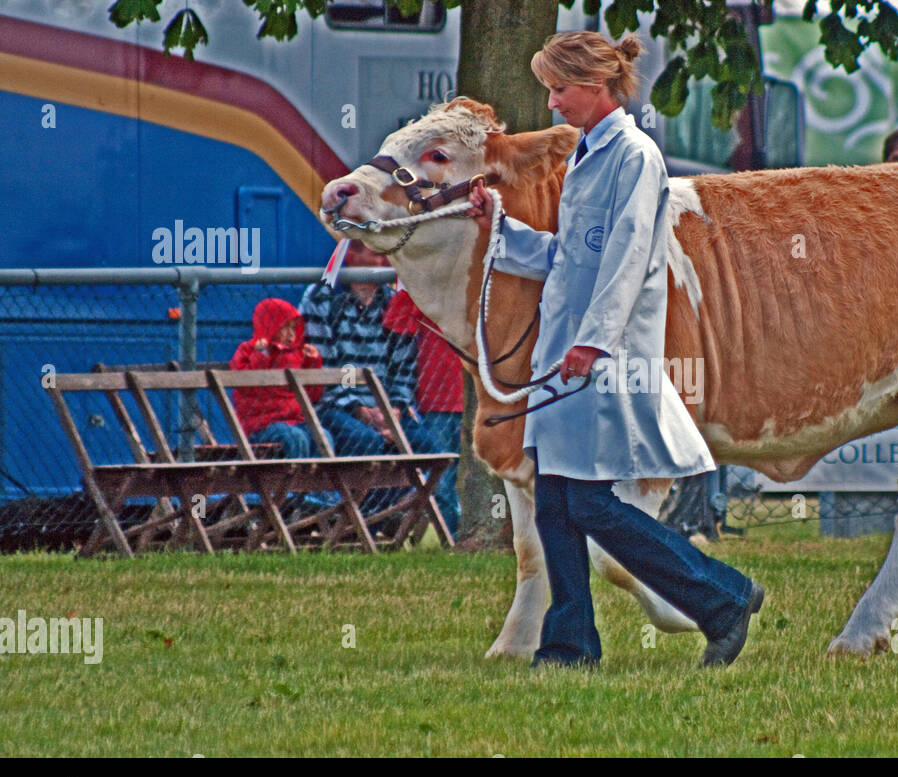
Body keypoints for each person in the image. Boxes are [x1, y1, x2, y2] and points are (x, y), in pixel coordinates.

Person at [467, 31, 763, 669]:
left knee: (590, 503)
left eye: (558, 88)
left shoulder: (634, 155)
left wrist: (593, 342)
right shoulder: (590, 155)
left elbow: (629, 259)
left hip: (599, 359)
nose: (550, 104)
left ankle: (722, 597)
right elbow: (567, 256)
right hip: (570, 355)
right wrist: (500, 229)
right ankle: (570, 646)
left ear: (595, 85)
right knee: (557, 505)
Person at [300, 240, 455, 532]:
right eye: (376, 254)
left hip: (387, 408)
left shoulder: (394, 301)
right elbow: (327, 368)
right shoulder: (321, 298)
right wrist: (361, 409)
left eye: (387, 255)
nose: (385, 262)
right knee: (367, 443)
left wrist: (393, 409)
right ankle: (362, 527)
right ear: (352, 255)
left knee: (429, 449)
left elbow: (403, 366)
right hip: (335, 406)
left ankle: (379, 519)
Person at [383, 288, 464, 539]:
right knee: (442, 477)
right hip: (436, 400)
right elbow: (398, 330)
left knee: (469, 476)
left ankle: (457, 531)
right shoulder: (423, 291)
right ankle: (453, 537)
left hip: (473, 401)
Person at [229, 297, 324, 460]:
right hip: (261, 425)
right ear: (269, 325)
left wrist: (312, 363)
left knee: (323, 437)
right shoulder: (248, 350)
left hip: (294, 421)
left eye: (294, 328)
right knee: (295, 439)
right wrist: (262, 355)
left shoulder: (295, 355)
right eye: (284, 327)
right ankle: (294, 485)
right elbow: (246, 386)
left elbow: (312, 396)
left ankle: (316, 486)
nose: (291, 334)